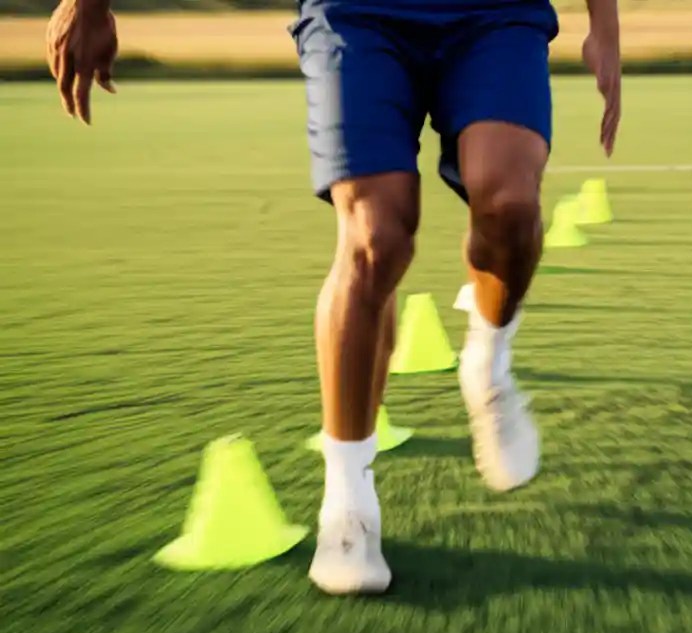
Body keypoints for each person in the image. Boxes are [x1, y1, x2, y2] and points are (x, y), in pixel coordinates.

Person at [46, 0, 622, 596]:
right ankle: (348, 503)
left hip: (495, 14)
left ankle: (489, 360)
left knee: (511, 210)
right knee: (375, 240)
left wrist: (604, 26)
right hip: (357, 13)